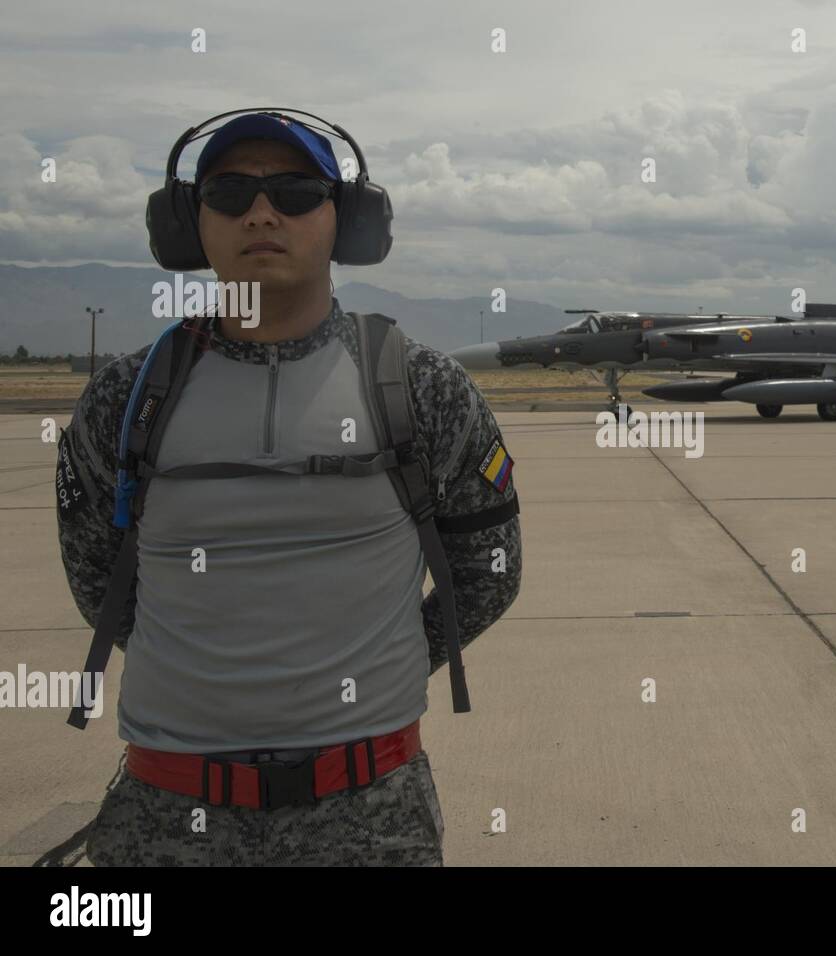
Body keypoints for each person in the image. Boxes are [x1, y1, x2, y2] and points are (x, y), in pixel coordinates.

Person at [53, 110, 522, 865]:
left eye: (297, 192)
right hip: (167, 818)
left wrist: (382, 671)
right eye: (231, 192)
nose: (262, 213)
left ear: (348, 221)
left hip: (373, 815)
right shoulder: (127, 397)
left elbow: (490, 575)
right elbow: (97, 580)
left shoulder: (424, 387)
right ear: (188, 223)